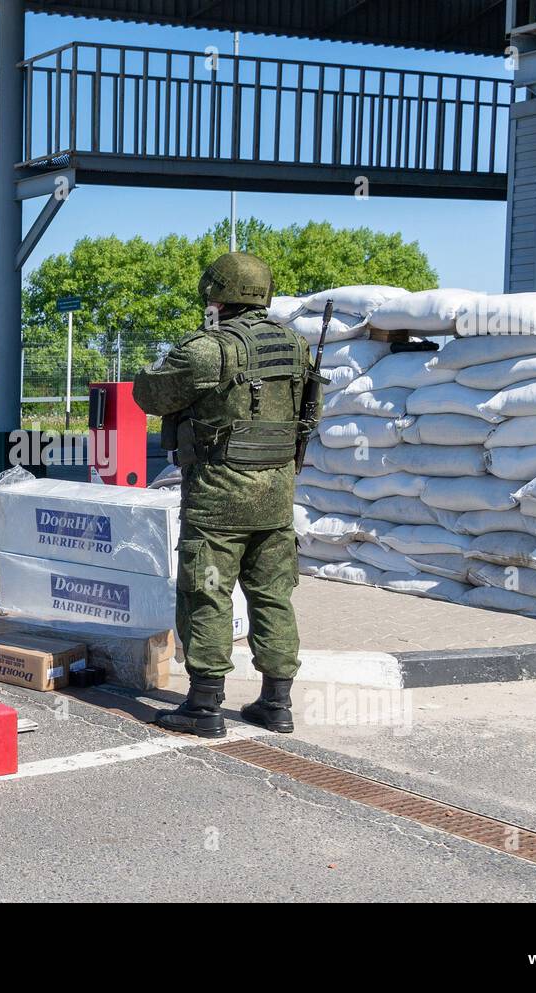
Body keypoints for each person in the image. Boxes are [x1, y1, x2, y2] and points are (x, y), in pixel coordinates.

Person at [132, 252, 315, 739]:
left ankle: (204, 706)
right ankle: (277, 703)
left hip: (217, 499)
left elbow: (149, 395)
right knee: (274, 596)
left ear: (215, 294)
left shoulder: (206, 349)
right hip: (276, 497)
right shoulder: (296, 346)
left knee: (206, 594)